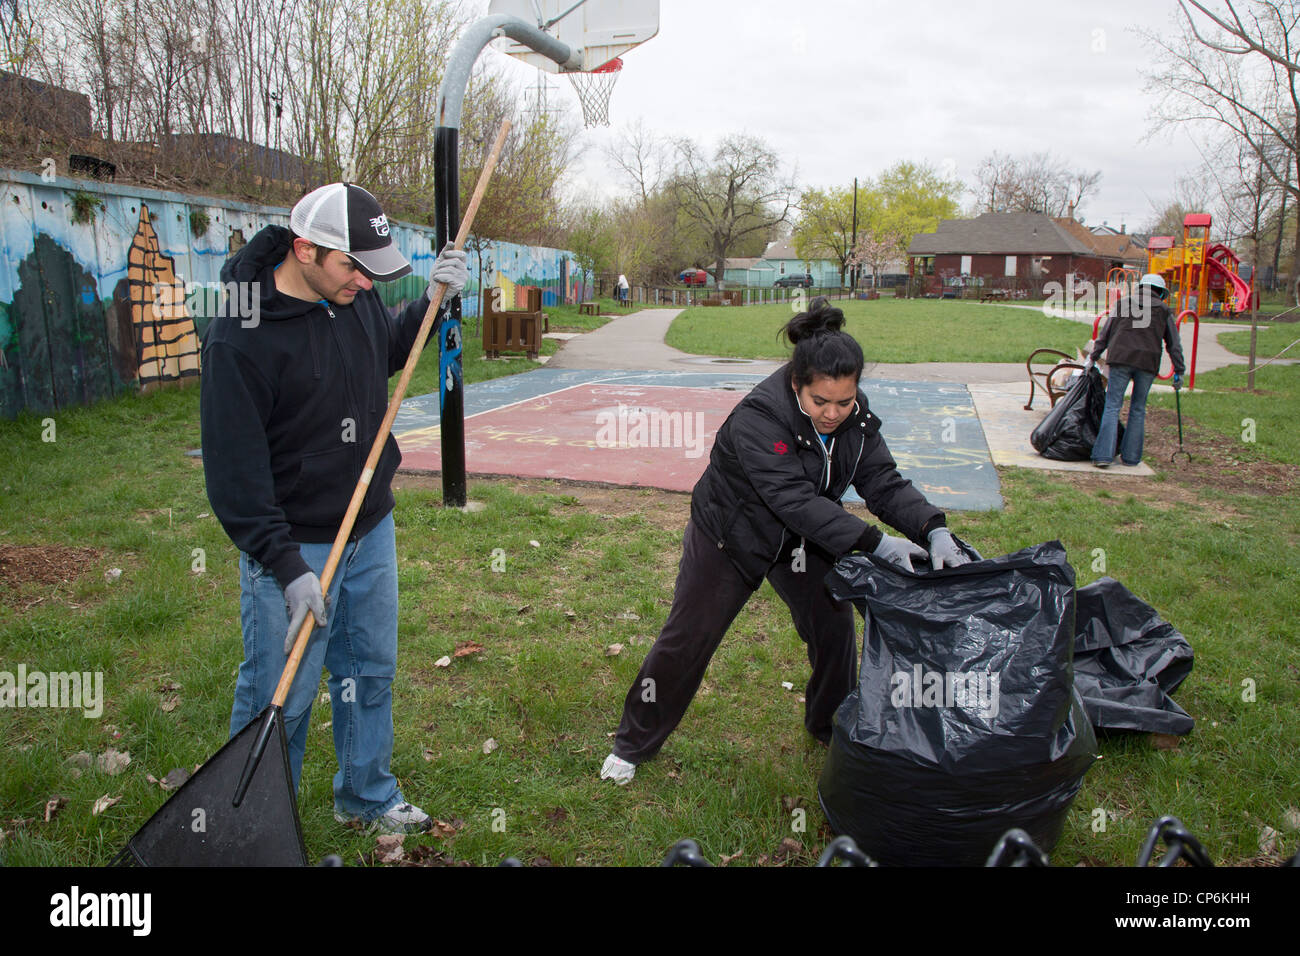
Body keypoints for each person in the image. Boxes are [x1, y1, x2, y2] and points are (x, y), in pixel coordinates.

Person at [600, 297, 972, 785]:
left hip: (805, 540)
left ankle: (828, 726)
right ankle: (632, 742)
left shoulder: (855, 419)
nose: (834, 412)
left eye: (845, 401)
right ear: (797, 384)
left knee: (834, 629)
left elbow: (881, 480)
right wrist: (876, 544)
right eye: (821, 402)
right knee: (689, 638)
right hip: (732, 536)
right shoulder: (760, 416)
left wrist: (933, 528)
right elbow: (792, 499)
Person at [200, 182, 467, 833]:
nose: (365, 284)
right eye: (353, 267)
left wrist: (432, 300)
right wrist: (285, 567)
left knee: (369, 670)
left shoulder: (350, 297)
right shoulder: (240, 338)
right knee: (280, 698)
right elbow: (236, 477)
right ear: (304, 250)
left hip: (369, 525)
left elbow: (385, 356)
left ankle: (366, 793)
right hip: (293, 546)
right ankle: (251, 828)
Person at [1086, 273, 1186, 468]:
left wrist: (1093, 357)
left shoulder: (1123, 304)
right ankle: (1131, 458)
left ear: (1141, 287)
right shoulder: (1163, 310)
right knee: (1138, 409)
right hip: (1147, 363)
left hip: (1120, 358)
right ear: (1160, 292)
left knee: (1112, 406)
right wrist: (1179, 371)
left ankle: (1103, 456)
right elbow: (1174, 344)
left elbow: (1105, 334)